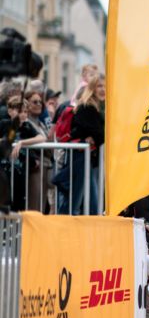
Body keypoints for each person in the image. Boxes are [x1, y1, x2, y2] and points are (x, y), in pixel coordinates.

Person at [54, 74, 104, 215]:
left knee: (89, 203)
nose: (103, 90)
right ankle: (63, 225)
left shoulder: (95, 106)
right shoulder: (87, 106)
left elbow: (98, 134)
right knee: (74, 202)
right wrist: (96, 137)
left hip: (85, 157)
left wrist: (96, 137)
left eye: (106, 86)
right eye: (100, 86)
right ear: (92, 88)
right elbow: (100, 134)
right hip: (79, 156)